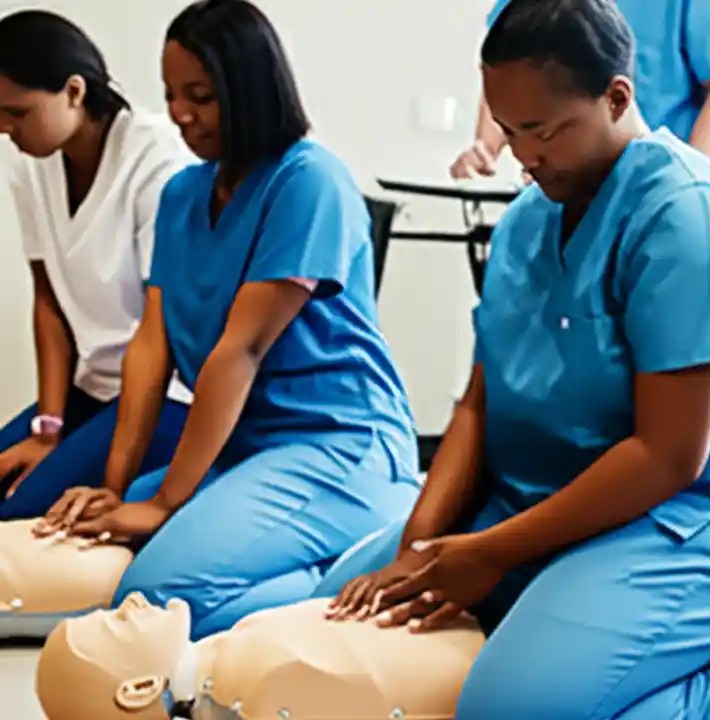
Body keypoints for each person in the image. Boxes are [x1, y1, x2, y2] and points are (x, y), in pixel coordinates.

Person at [319, 1, 710, 718]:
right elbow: (478, 404)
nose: (524, 156)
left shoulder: (687, 215)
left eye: (544, 130)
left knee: (505, 707)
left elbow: (669, 457)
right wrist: (421, 542)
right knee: (330, 616)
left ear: (617, 98)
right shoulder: (527, 219)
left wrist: (489, 554)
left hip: (691, 524)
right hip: (544, 501)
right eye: (510, 131)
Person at [31, 0, 422, 641]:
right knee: (106, 539)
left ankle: (342, 578)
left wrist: (166, 502)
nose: (179, 113)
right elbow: (151, 344)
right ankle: (322, 570)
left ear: (250, 89)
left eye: (201, 97)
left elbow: (239, 351)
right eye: (170, 94)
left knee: (152, 596)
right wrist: (116, 487)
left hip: (339, 448)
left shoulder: (310, 181)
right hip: (248, 449)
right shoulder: (183, 193)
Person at [0, 10, 192, 521]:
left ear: (74, 92)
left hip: (164, 396)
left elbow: (161, 328)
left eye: (17, 112)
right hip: (92, 389)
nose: (4, 127)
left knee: (21, 514)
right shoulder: (29, 162)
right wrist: (48, 427)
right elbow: (48, 301)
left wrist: (112, 482)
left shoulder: (157, 158)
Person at [450, 0, 710, 178]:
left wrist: (686, 179)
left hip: (657, 188)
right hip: (564, 197)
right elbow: (510, 62)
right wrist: (486, 148)